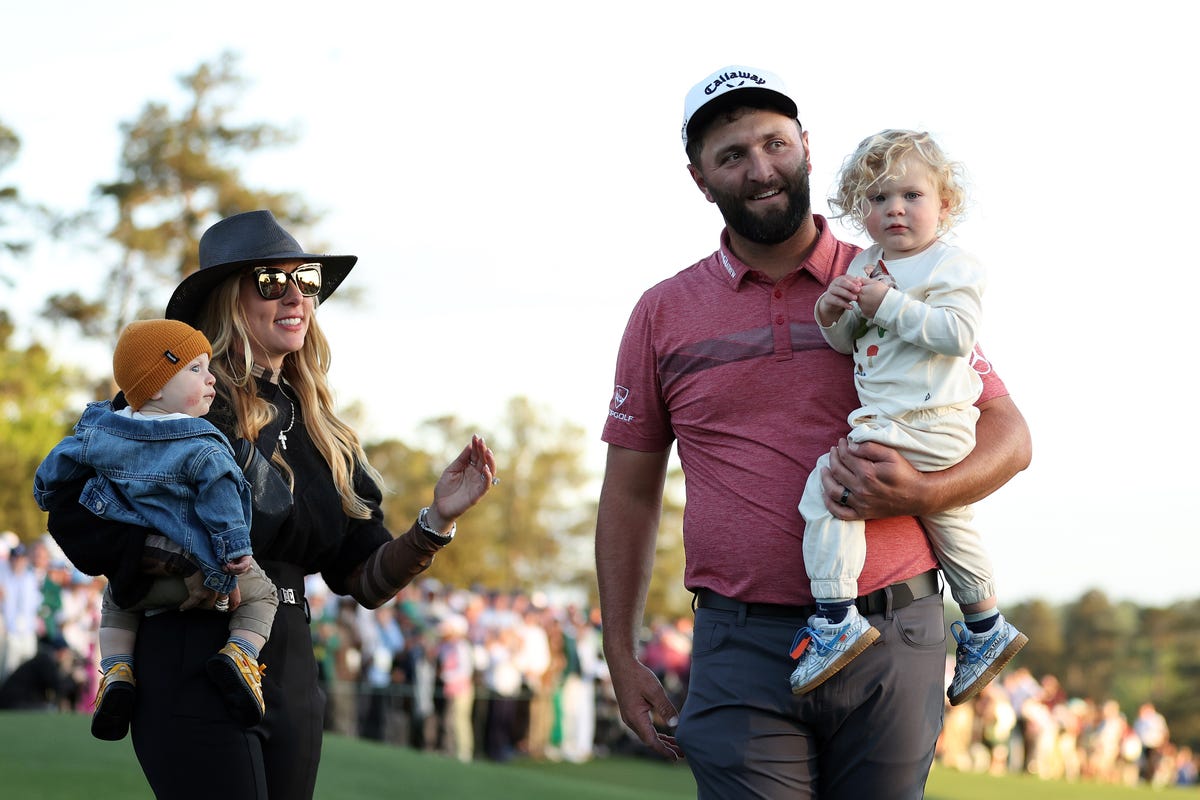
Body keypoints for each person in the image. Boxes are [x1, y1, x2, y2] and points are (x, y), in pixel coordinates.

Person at [594, 65, 1032, 798]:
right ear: (700, 179)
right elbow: (630, 493)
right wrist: (619, 650)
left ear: (805, 146)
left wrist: (923, 492)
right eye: (732, 155)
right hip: (739, 644)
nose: (760, 169)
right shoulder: (663, 312)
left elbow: (1011, 437)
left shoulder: (895, 274)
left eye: (775, 144)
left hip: (895, 631)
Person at [40, 209, 498, 799]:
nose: (294, 295)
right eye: (270, 281)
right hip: (191, 653)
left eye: (305, 280)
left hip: (290, 665)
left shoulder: (325, 432)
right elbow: (72, 506)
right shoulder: (182, 399)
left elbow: (362, 577)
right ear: (228, 299)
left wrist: (436, 521)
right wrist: (171, 561)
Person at [789, 129, 1026, 704]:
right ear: (861, 210)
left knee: (832, 488)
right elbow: (850, 342)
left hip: (925, 417)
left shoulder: (952, 264)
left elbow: (957, 333)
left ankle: (835, 617)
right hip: (908, 420)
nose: (894, 208)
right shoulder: (868, 263)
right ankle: (985, 625)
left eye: (911, 195)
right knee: (948, 518)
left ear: (944, 203)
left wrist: (889, 303)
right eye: (878, 198)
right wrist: (831, 313)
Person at [34, 318, 280, 740]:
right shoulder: (200, 443)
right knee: (263, 595)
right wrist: (235, 550)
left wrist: (44, 491)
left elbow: (58, 466)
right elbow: (221, 495)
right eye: (196, 369)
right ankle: (240, 654)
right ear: (157, 387)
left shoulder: (102, 432)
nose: (211, 380)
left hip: (138, 580)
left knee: (114, 605)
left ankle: (116, 671)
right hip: (203, 574)